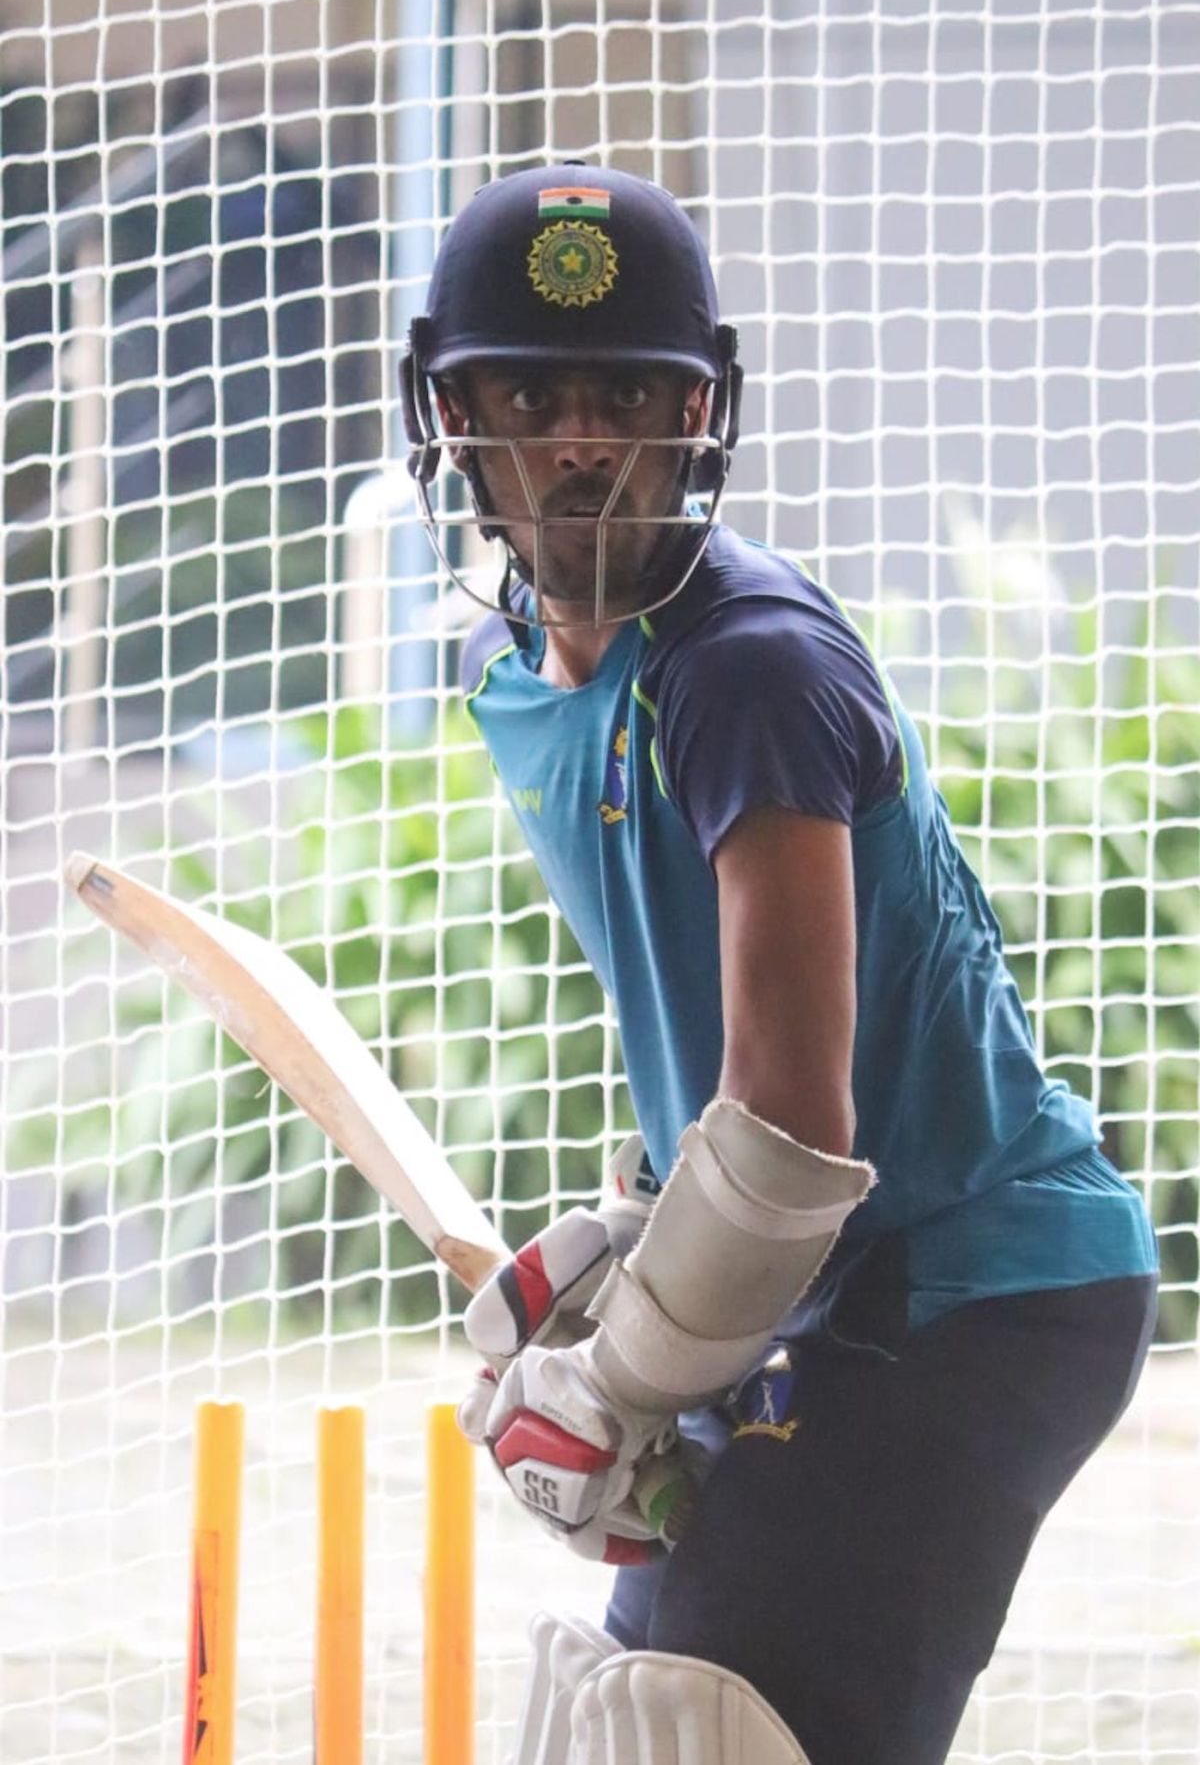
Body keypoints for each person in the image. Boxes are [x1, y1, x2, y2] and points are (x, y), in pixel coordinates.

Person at [402, 162, 1158, 1765]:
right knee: (617, 1722)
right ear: (456, 422)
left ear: (700, 419)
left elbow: (797, 1129)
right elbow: (739, 1045)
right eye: (531, 395)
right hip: (834, 1274)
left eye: (630, 394)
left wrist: (619, 1379)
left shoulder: (746, 671)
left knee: (714, 1731)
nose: (584, 438)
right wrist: (627, 1234)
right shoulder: (520, 678)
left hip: (974, 1287)